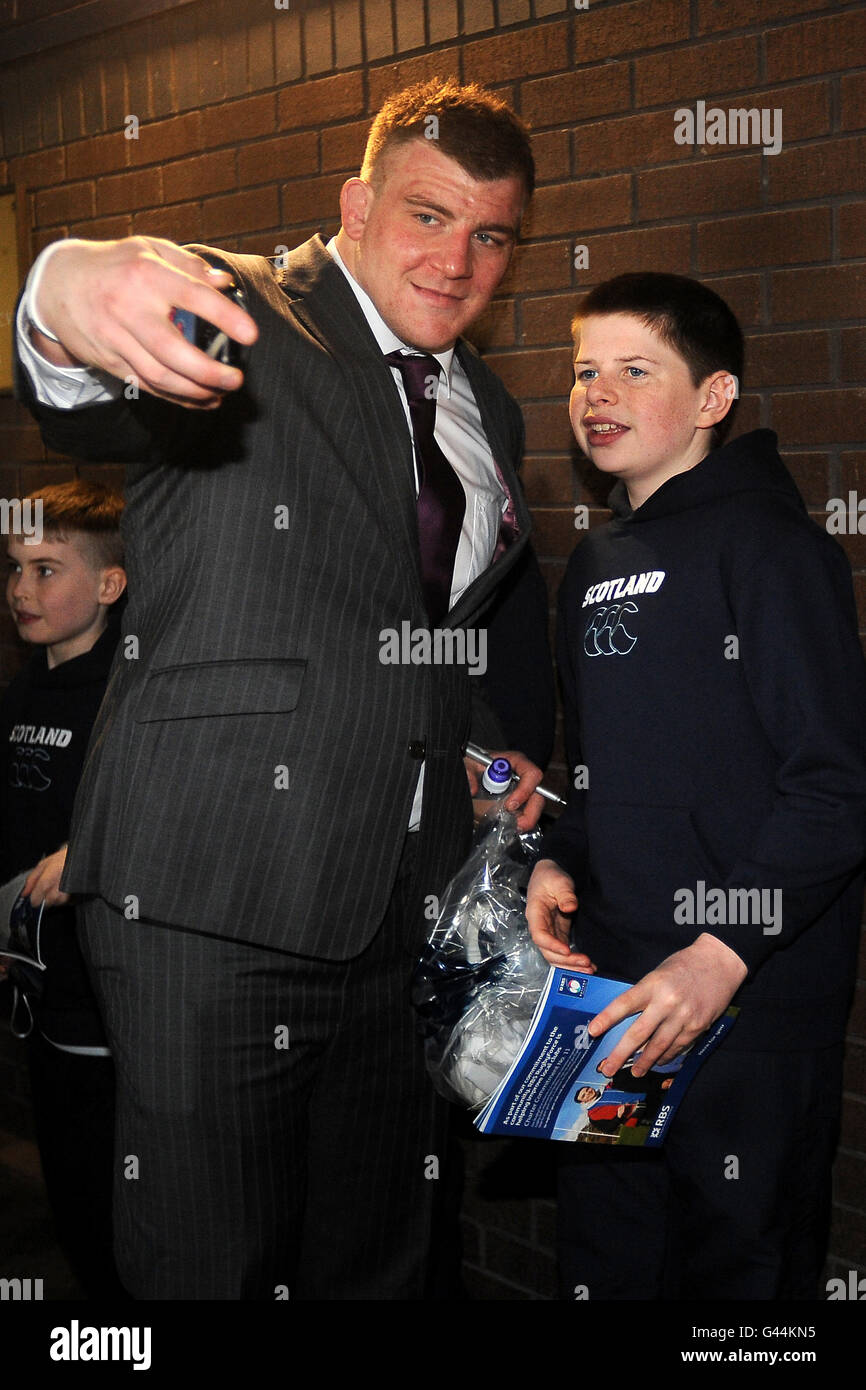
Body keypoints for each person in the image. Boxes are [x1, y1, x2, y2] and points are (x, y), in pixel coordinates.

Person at [14, 78, 551, 1300]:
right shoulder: (245, 310)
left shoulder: (491, 412)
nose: (455, 260)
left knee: (381, 1260)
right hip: (215, 896)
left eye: (489, 235)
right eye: (425, 216)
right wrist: (61, 296)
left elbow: (423, 632)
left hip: (398, 913)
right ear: (355, 204)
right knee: (208, 1265)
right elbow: (85, 380)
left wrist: (476, 757)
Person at [526, 272, 866, 1300]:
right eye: (585, 370)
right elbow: (585, 758)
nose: (598, 392)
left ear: (713, 399)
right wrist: (559, 855)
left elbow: (835, 785)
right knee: (610, 1254)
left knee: (738, 1269)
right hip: (618, 996)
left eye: (636, 369)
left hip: (745, 1000)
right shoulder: (592, 564)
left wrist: (722, 955)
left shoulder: (771, 549)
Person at [1, 480, 127, 1298]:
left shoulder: (131, 697)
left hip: (107, 1006)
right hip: (37, 998)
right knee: (73, 1206)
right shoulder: (21, 692)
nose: (19, 591)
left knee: (115, 1217)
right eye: (12, 570)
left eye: (45, 570)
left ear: (110, 584)